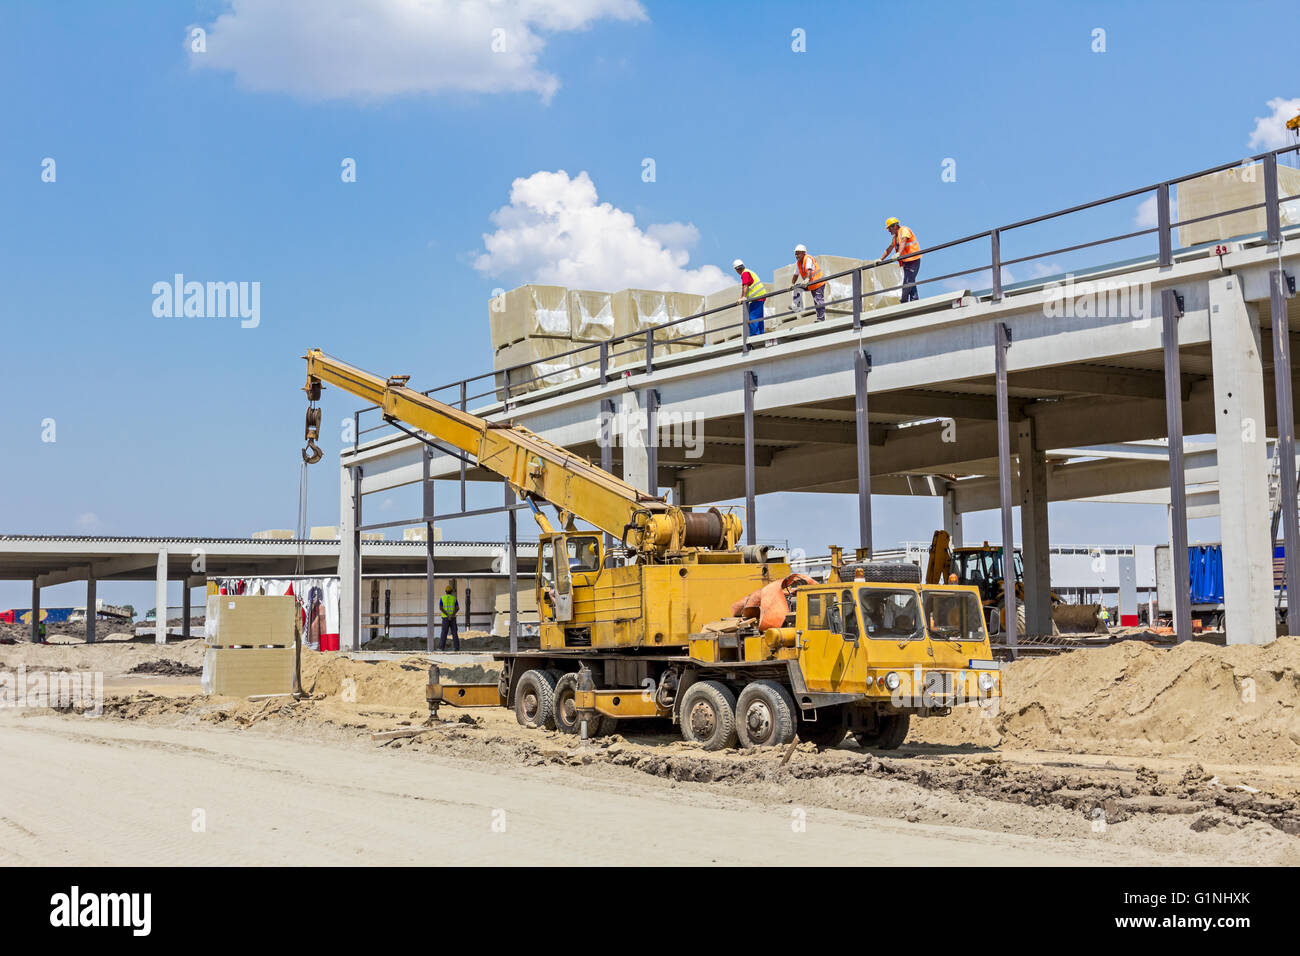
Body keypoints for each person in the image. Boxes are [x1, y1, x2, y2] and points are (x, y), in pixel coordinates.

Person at [878, 217, 922, 303]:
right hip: (906, 262)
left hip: (913, 259)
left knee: (908, 281)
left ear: (894, 226)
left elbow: (904, 241)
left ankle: (904, 301)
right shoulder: (895, 238)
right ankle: (915, 299)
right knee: (910, 280)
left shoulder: (904, 230)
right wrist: (880, 259)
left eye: (889, 228)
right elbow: (889, 249)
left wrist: (899, 253)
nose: (888, 231)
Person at [791, 244, 827, 321]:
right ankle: (798, 306)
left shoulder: (807, 259)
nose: (796, 256)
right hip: (810, 284)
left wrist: (807, 279)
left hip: (818, 282)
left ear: (804, 253)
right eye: (795, 254)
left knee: (818, 300)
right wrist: (792, 284)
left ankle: (821, 319)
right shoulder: (798, 263)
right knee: (797, 288)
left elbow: (809, 269)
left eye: (798, 253)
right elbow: (795, 274)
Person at [733, 259, 768, 337]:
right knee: (759, 317)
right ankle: (761, 334)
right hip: (760, 296)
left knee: (753, 317)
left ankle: (754, 335)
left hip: (757, 297)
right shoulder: (749, 271)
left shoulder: (745, 274)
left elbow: (745, 286)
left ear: (736, 270)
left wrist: (743, 297)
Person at [438, 582, 460, 652]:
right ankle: (456, 648)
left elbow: (441, 608)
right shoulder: (454, 598)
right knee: (454, 633)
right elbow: (457, 608)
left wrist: (447, 615)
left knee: (444, 633)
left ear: (445, 591)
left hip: (445, 618)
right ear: (451, 591)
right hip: (453, 618)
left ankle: (441, 648)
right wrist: (452, 614)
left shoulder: (442, 598)